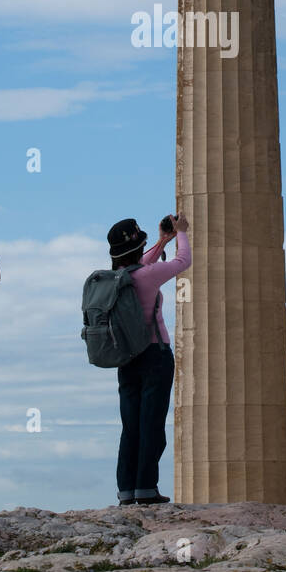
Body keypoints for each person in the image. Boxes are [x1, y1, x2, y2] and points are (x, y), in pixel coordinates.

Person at [107, 213, 191, 506]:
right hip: (155, 354)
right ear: (137, 246)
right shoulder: (147, 275)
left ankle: (126, 491)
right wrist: (180, 233)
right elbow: (182, 262)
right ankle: (147, 488)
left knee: (130, 426)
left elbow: (142, 261)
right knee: (151, 424)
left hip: (126, 358)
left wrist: (161, 240)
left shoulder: (118, 277)